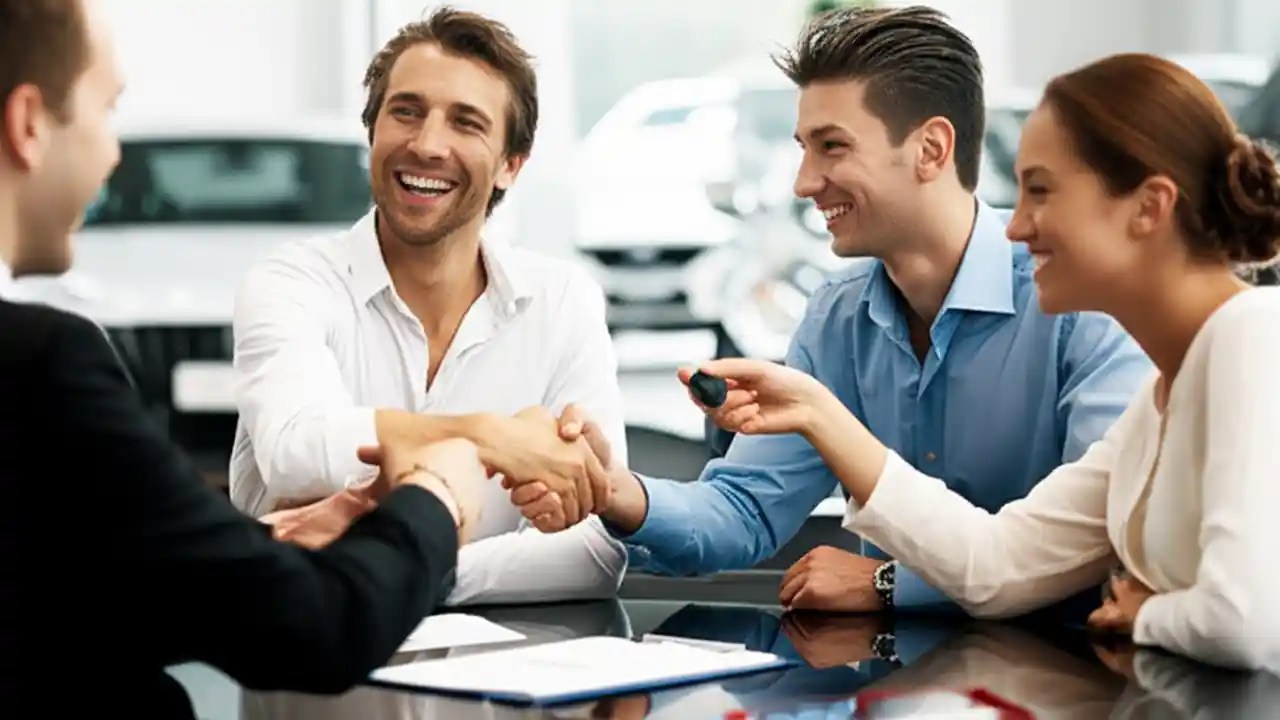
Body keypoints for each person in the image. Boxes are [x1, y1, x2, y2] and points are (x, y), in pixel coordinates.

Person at [528, 6, 1151, 621]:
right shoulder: (837, 315)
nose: (803, 181)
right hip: (901, 685)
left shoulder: (1078, 304)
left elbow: (1090, 548)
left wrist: (891, 583)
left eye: (832, 147)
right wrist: (614, 491)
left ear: (931, 149)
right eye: (804, 148)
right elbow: (744, 512)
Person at [688, 53, 1280, 671]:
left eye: (1041, 192)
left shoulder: (1250, 335)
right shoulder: (1160, 400)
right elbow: (996, 566)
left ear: (1149, 207)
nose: (1017, 226)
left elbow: (1244, 621)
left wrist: (1146, 616)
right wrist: (817, 413)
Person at [0, 0, 496, 715]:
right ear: (28, 125)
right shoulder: (42, 362)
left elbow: (60, 589)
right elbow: (318, 629)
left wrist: (262, 539)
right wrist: (436, 500)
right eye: (105, 110)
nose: (111, 152)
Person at [227, 6, 625, 606]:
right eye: (406, 112)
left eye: (466, 123)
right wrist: (490, 439)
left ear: (511, 166)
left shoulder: (563, 301)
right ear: (373, 130)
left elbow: (597, 544)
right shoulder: (292, 282)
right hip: (308, 673)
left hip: (506, 678)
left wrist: (394, 573)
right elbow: (295, 453)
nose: (427, 144)